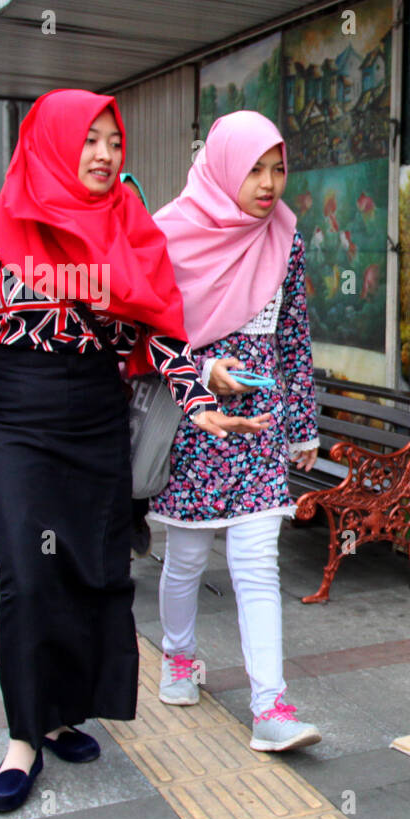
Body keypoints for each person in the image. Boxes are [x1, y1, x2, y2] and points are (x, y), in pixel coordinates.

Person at [0, 89, 270, 813]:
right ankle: (23, 736)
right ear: (52, 143)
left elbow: (160, 328)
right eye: (89, 140)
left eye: (114, 141)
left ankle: (59, 712)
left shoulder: (130, 224)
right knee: (25, 574)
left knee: (85, 569)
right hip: (12, 419)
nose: (106, 154)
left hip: (94, 414)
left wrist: (200, 395)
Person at [149, 110, 320, 752]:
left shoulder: (287, 240)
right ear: (223, 166)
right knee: (187, 558)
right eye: (254, 168)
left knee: (256, 564)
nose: (269, 183)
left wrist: (301, 423)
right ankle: (179, 655)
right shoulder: (169, 235)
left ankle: (270, 706)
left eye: (278, 168)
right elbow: (147, 336)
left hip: (260, 430)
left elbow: (294, 341)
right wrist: (201, 374)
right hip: (193, 425)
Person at [119, 170, 155, 559]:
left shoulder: (153, 251)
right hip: (104, 380)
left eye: (135, 201)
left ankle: (135, 513)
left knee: (141, 447)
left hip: (145, 373)